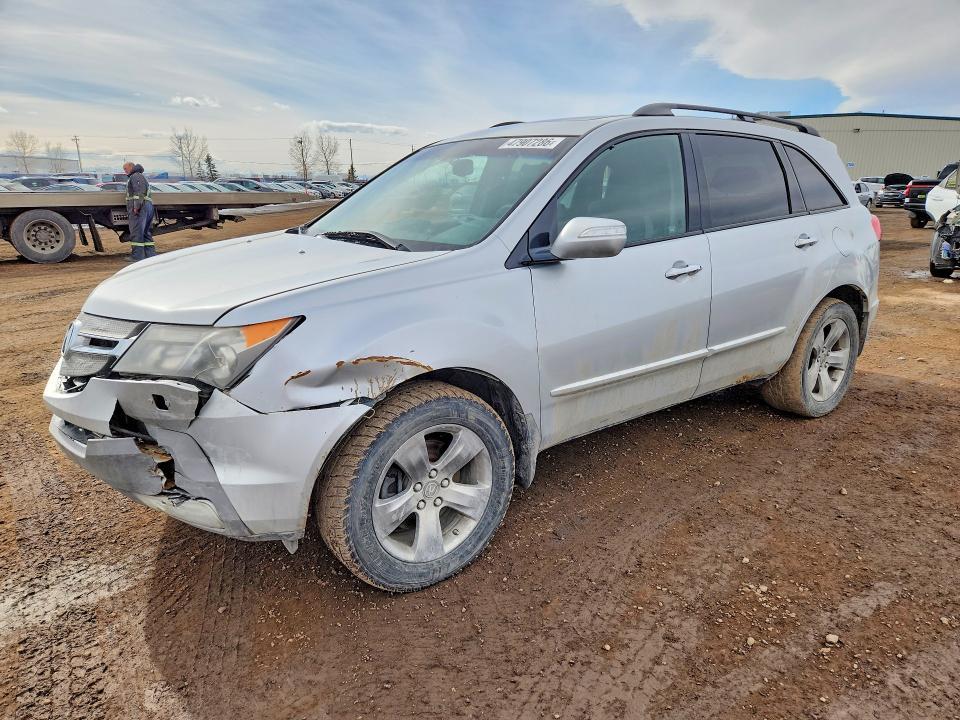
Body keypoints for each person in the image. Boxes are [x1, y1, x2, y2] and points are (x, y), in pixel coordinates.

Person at [123, 161, 155, 261]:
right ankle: (150, 255)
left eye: (125, 169)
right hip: (147, 206)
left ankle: (137, 256)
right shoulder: (139, 176)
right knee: (145, 232)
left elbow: (139, 192)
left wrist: (136, 206)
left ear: (131, 167)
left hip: (141, 208)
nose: (125, 172)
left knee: (137, 231)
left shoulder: (135, 176)